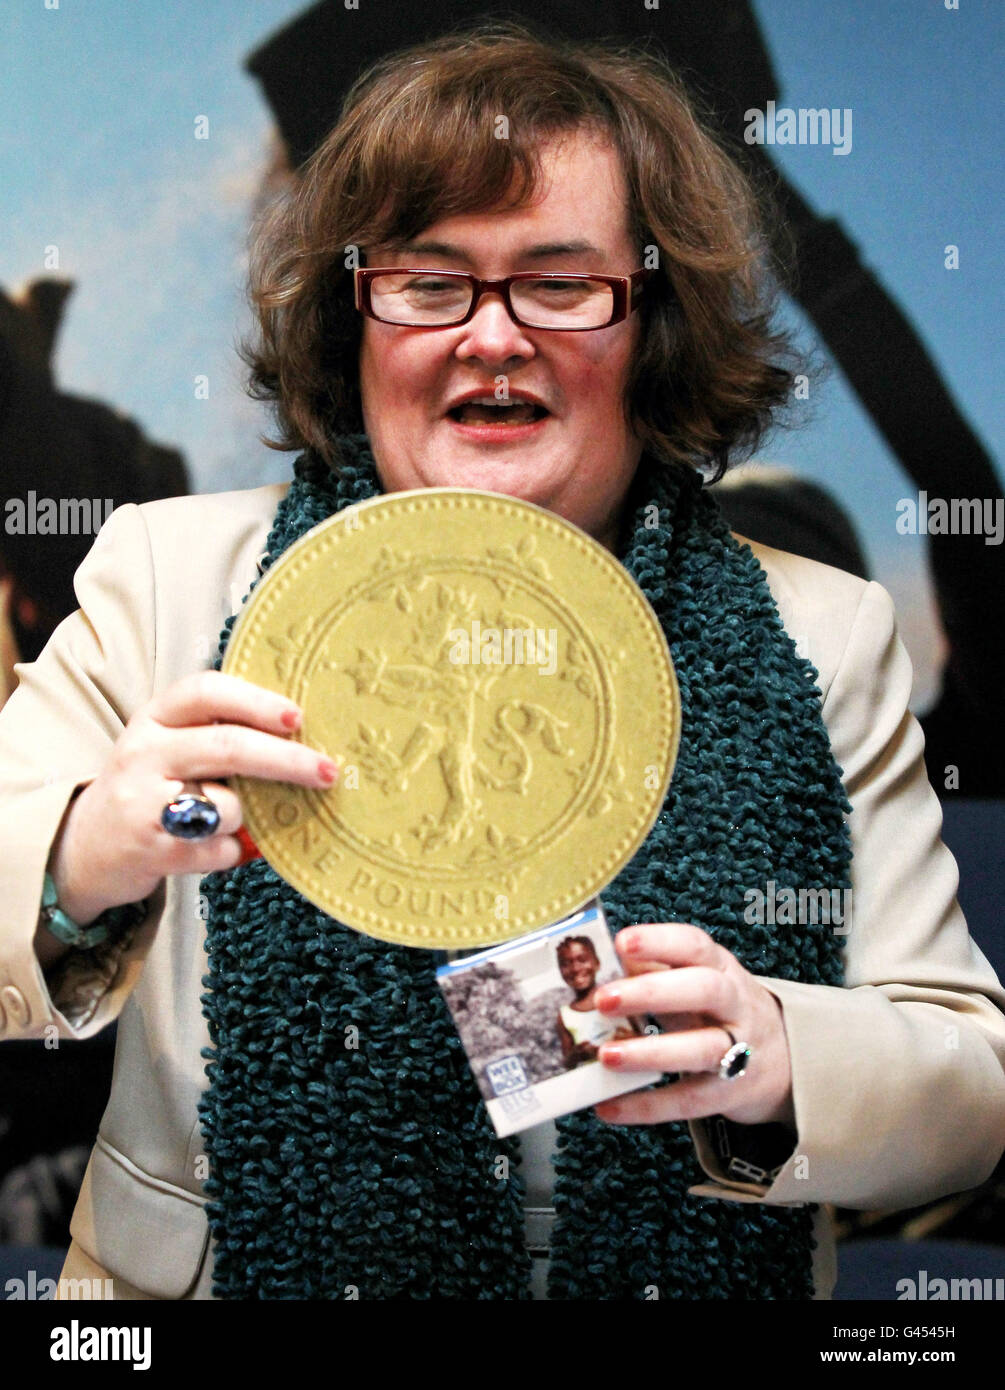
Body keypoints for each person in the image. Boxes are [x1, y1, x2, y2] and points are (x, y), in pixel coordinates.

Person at [1, 27, 1003, 1301]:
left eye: (560, 281)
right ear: (351, 319)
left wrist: (780, 1051)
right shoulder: (167, 580)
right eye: (431, 283)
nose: (493, 336)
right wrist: (88, 855)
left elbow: (972, 1084)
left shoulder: (826, 634)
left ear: (654, 323)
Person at [555, 936, 636, 1069]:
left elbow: (650, 1031)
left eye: (582, 960)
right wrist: (577, 1055)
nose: (575, 968)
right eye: (566, 964)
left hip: (635, 1071)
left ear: (597, 963)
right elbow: (567, 1064)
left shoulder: (618, 995)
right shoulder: (565, 1016)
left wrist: (633, 1038)